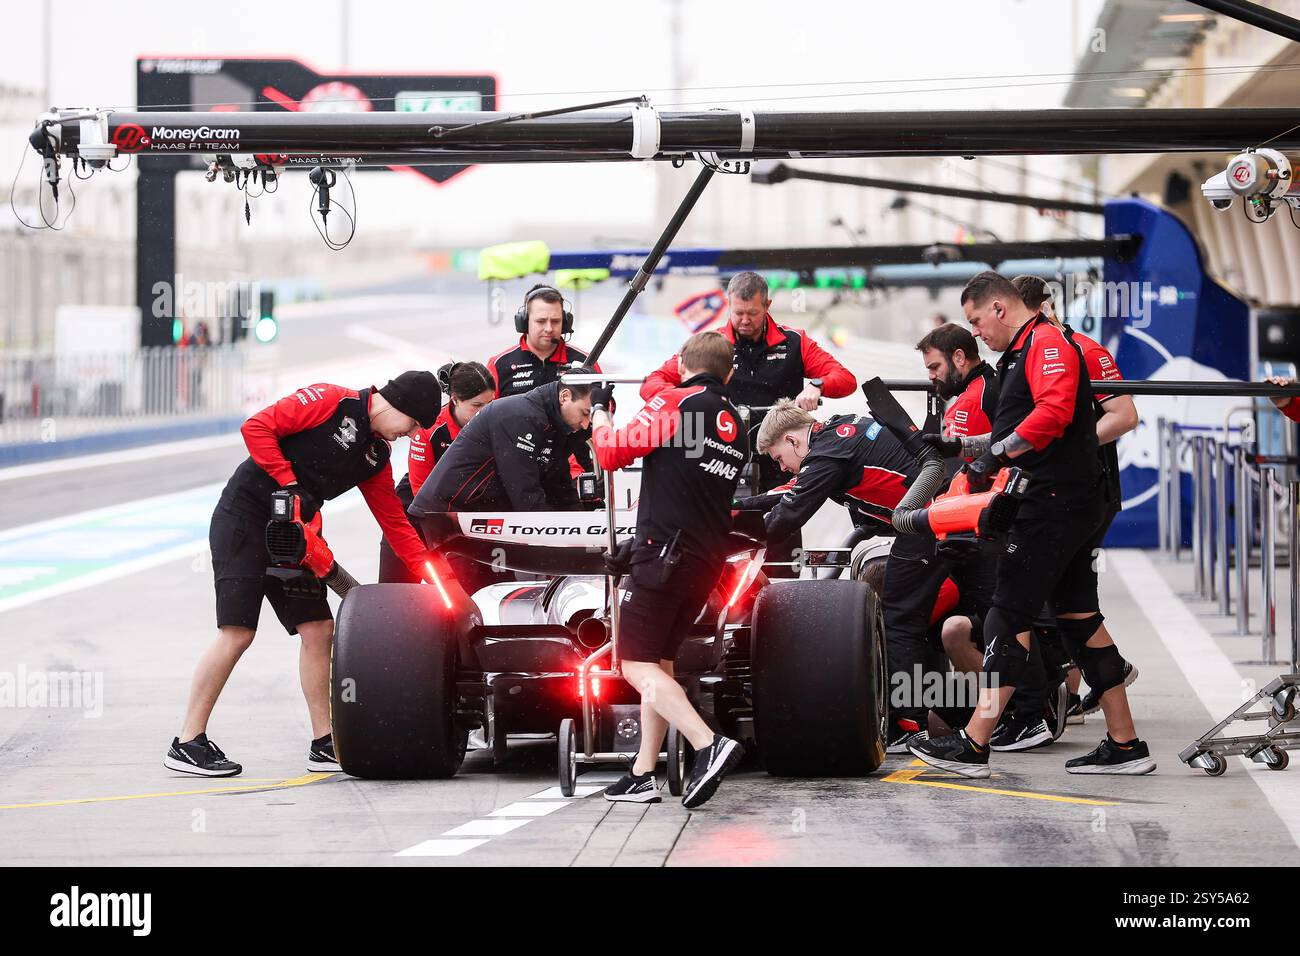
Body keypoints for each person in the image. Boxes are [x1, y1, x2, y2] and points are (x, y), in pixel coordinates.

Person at [909, 271, 1155, 778]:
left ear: (999, 308)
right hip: (1064, 500)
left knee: (1005, 616)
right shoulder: (1023, 351)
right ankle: (1125, 743)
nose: (975, 332)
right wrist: (966, 448)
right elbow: (1024, 423)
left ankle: (976, 744)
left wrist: (994, 453)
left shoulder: (1046, 343)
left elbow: (1055, 413)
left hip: (1054, 503)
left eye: (977, 321)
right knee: (1079, 617)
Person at [166, 372, 442, 778]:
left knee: (319, 629)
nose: (411, 434)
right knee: (238, 632)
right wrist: (289, 483)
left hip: (293, 536)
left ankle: (325, 743)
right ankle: (188, 742)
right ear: (396, 405)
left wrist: (437, 577)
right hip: (243, 520)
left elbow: (395, 524)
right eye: (414, 424)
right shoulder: (330, 399)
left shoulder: (375, 457)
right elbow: (256, 427)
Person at [591, 331, 749, 809]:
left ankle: (708, 744)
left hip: (663, 557)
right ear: (730, 374)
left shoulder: (677, 402)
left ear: (681, 365)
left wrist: (601, 413)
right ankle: (643, 772)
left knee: (633, 664)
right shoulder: (734, 420)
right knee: (660, 663)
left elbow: (610, 452)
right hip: (705, 562)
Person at [742, 398, 951, 752]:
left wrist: (732, 538)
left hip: (930, 526)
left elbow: (787, 515)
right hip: (946, 518)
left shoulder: (826, 455)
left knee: (897, 621)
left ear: (793, 440)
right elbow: (791, 492)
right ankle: (1019, 715)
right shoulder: (838, 432)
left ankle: (909, 725)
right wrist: (729, 508)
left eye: (780, 458)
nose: (785, 467)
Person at [641, 271, 857, 576]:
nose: (744, 320)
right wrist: (688, 399)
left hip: (781, 464)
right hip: (722, 462)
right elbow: (652, 384)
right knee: (718, 547)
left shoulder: (795, 341)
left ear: (767, 305)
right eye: (738, 313)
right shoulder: (710, 346)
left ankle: (780, 604)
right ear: (728, 305)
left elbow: (846, 380)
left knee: (780, 556)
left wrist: (817, 385)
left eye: (753, 313)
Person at [1012, 275, 1141, 721]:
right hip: (1053, 489)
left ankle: (1090, 682)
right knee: (1061, 599)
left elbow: (1125, 415)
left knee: (1062, 598)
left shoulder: (1083, 350)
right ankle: (1088, 685)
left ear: (1040, 310)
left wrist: (1067, 444)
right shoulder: (1022, 355)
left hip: (1089, 489)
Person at [409, 375, 591, 594]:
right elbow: (524, 494)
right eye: (585, 413)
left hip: (486, 525)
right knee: (476, 607)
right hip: (448, 523)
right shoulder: (520, 415)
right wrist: (564, 543)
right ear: (565, 396)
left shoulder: (558, 425)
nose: (586, 424)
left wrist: (585, 534)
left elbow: (560, 485)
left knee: (503, 599)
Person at [379, 361, 495, 584]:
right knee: (394, 594)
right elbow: (421, 493)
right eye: (477, 405)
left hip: (468, 513)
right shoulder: (430, 430)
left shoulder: (499, 418)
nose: (485, 412)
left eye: (490, 403)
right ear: (455, 400)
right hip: (419, 512)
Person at [488, 284, 601, 473]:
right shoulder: (500, 365)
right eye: (541, 321)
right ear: (524, 322)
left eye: (555, 321)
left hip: (574, 473)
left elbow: (606, 412)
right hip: (516, 470)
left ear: (565, 323)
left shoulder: (585, 364)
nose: (549, 328)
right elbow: (484, 420)